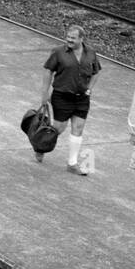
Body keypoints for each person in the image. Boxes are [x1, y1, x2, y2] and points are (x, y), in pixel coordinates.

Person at [39, 25, 101, 173]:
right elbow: (48, 71)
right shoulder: (58, 52)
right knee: (58, 128)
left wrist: (89, 88)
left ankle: (72, 163)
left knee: (78, 128)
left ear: (81, 39)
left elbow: (96, 72)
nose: (69, 40)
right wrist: (44, 93)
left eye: (73, 38)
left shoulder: (90, 53)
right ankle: (40, 146)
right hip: (62, 96)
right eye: (68, 37)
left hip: (82, 98)